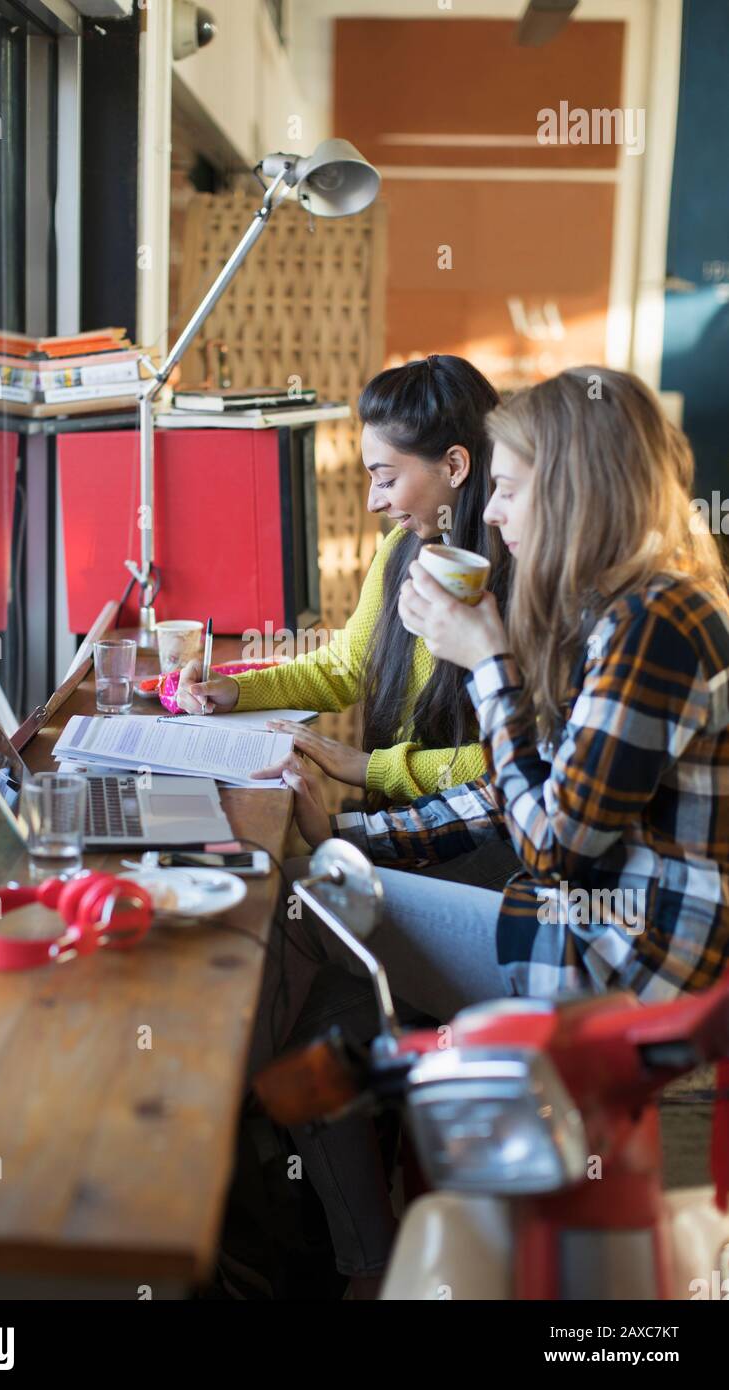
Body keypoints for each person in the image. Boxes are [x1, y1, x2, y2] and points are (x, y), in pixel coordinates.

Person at [247, 366, 729, 1297]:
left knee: (308, 922)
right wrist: (348, 826)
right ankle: (346, 1226)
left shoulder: (657, 623)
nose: (498, 518)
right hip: (590, 922)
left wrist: (490, 663)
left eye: (509, 489)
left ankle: (342, 1244)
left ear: (571, 485)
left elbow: (557, 843)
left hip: (624, 960)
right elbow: (523, 795)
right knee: (320, 907)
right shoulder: (616, 610)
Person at [176, 355, 511, 803]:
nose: (374, 502)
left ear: (454, 465)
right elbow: (347, 666)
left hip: (477, 841)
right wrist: (235, 689)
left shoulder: (527, 577)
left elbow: (530, 759)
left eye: (386, 480)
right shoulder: (402, 550)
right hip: (408, 824)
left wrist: (370, 767)